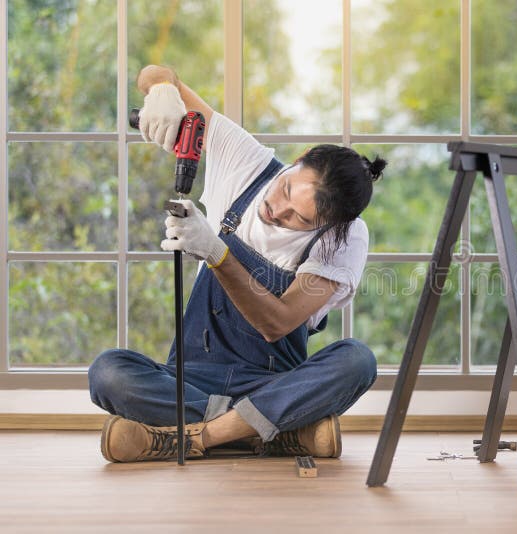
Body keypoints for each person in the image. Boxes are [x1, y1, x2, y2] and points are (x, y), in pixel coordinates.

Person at [88, 64, 386, 463]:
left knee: (357, 361)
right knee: (108, 372)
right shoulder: (247, 161)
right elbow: (157, 72)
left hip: (272, 381)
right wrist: (161, 89)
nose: (276, 210)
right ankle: (270, 432)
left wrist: (216, 252)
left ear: (330, 225)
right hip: (191, 378)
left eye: (299, 218)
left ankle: (195, 437)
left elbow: (277, 323)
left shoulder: (347, 237)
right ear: (296, 161)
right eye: (285, 189)